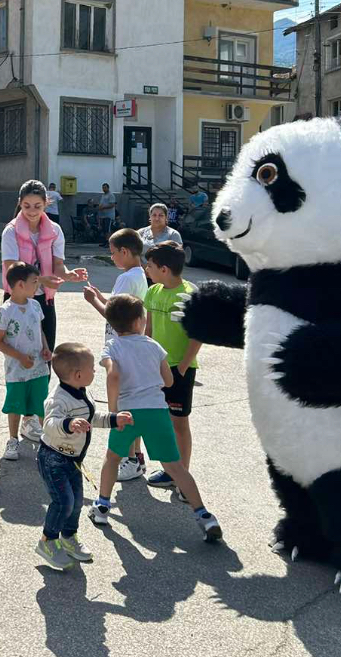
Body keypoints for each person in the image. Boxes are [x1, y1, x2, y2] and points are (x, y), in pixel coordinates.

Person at [86, 295, 222, 541]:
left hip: (127, 413)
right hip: (157, 411)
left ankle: (102, 506)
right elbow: (168, 381)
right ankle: (204, 515)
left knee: (113, 459)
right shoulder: (153, 346)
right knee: (175, 467)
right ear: (140, 321)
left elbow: (113, 375)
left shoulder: (112, 347)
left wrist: (114, 412)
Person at [34, 343, 133, 571]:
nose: (95, 371)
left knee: (77, 501)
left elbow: (92, 417)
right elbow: (49, 425)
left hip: (73, 460)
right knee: (63, 502)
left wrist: (113, 419)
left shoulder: (83, 392)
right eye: (91, 368)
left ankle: (69, 537)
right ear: (78, 375)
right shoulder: (57, 399)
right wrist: (68, 424)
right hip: (53, 459)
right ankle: (48, 541)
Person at [0, 181, 90, 399]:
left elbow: (58, 265)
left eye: (37, 206)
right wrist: (41, 280)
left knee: (45, 354)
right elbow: (11, 268)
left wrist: (67, 274)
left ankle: (37, 410)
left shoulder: (55, 230)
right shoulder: (10, 232)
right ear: (20, 204)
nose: (32, 211)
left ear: (46, 204)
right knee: (18, 357)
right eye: (27, 206)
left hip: (44, 301)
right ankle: (21, 411)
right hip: (17, 302)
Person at [82, 228, 149, 483]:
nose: (111, 258)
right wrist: (102, 297)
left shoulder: (125, 279)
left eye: (113, 253)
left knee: (122, 405)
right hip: (133, 344)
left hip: (120, 346)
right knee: (132, 400)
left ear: (124, 251)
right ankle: (137, 456)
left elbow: (115, 317)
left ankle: (129, 459)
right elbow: (120, 308)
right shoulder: (138, 275)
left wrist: (92, 301)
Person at [142, 242, 201, 492]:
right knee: (163, 422)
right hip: (156, 368)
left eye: (151, 265)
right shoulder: (153, 291)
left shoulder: (190, 294)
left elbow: (198, 335)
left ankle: (182, 478)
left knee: (179, 423)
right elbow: (149, 329)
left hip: (179, 369)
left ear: (164, 269)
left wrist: (183, 367)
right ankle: (169, 471)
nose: (147, 269)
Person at [0, 263, 53, 461]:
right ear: (20, 284)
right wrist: (19, 357)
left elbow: (40, 331)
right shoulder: (6, 310)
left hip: (38, 368)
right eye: (34, 282)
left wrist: (45, 348)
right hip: (16, 370)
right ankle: (12, 440)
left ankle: (47, 441)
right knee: (15, 405)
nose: (38, 286)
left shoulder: (35, 305)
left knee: (40, 402)